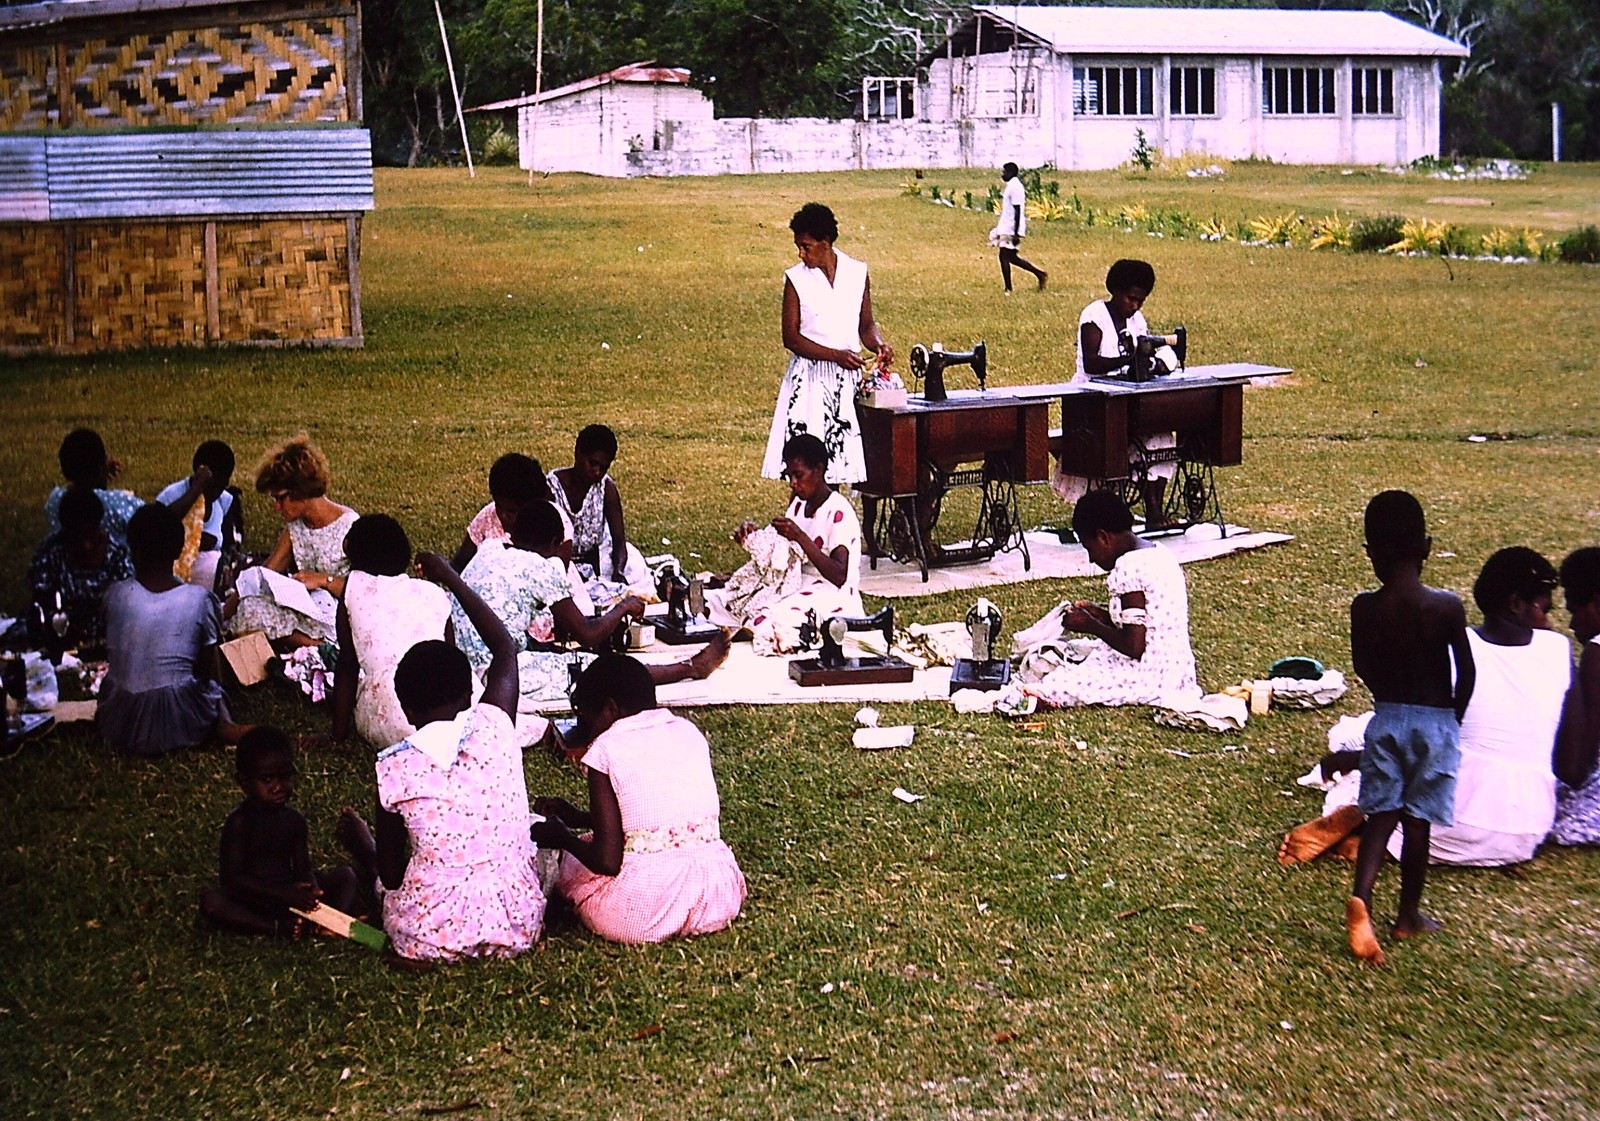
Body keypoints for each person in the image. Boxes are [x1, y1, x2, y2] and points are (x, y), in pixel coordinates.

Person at [1280, 548, 1569, 869]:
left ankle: (1361, 824)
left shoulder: (1457, 649)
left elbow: (1416, 739)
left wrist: (1355, 760)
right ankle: (1370, 837)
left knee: (1376, 752)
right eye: (1545, 609)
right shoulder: (1558, 648)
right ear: (1516, 604)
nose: (1550, 619)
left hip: (1450, 819)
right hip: (1526, 831)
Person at [338, 552, 545, 965]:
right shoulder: (496, 725)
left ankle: (361, 844)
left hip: (428, 937)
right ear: (470, 694)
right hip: (518, 923)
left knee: (386, 872)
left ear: (405, 709)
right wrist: (450, 577)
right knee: (535, 830)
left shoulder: (393, 768)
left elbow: (393, 875)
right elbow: (504, 647)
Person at [1344, 490, 1475, 966]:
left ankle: (1362, 896)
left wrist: (1387, 702)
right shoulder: (1446, 607)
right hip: (1436, 723)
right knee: (1417, 822)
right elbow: (1468, 674)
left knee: (1381, 814)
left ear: (1370, 554)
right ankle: (1408, 916)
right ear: (1427, 547)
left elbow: (1362, 665)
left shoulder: (1364, 607)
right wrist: (1452, 719)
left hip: (1387, 717)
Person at [452, 501, 727, 727]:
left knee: (564, 657)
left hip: (460, 662)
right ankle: (690, 668)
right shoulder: (541, 568)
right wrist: (624, 606)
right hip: (494, 674)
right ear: (553, 543)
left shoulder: (490, 549)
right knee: (598, 672)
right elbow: (587, 633)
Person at [533, 654, 746, 944]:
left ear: (610, 709)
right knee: (596, 839)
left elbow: (607, 862)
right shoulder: (688, 731)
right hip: (716, 893)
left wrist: (563, 837)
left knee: (572, 860)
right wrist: (580, 817)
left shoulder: (606, 748)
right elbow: (648, 814)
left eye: (585, 717)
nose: (584, 728)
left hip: (642, 912)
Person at [1014, 488, 1199, 707]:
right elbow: (1144, 624)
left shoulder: (1129, 568)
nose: (1091, 559)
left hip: (1152, 674)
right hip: (1177, 669)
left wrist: (1093, 626)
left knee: (1064, 682)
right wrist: (1100, 615)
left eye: (1089, 548)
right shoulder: (1158, 553)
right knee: (1074, 656)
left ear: (1103, 537)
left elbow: (1134, 646)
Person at [97, 503, 246, 756]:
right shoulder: (200, 599)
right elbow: (205, 669)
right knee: (214, 689)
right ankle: (225, 725)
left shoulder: (114, 594)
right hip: (178, 722)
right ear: (179, 549)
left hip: (118, 721)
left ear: (132, 549)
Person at [762, 202, 893, 486]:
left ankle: (832, 524)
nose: (801, 253)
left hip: (845, 381)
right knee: (808, 471)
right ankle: (805, 523)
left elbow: (866, 325)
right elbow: (791, 337)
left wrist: (879, 345)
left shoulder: (857, 273)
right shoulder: (796, 279)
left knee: (839, 463)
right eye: (798, 246)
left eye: (806, 246)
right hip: (809, 379)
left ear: (825, 243)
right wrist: (835, 355)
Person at [706, 433, 864, 656]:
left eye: (798, 475)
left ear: (818, 470)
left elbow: (839, 575)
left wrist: (800, 537)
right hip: (794, 582)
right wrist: (755, 537)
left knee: (767, 617)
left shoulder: (838, 512)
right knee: (727, 600)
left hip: (832, 593)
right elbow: (784, 550)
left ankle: (751, 632)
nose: (793, 483)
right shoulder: (799, 504)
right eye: (790, 476)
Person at [199, 727, 358, 938]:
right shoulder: (239, 823)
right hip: (256, 898)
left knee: (346, 875)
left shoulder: (294, 821)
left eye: (284, 777)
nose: (278, 787)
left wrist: (311, 891)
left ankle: (325, 923)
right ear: (244, 782)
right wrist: (283, 894)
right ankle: (275, 928)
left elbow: (303, 868)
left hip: (291, 892)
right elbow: (232, 880)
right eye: (267, 780)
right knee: (212, 901)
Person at [1057, 259, 1178, 528]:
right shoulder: (1094, 316)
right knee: (1115, 443)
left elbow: (1144, 353)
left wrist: (1156, 363)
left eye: (1140, 301)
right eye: (1130, 299)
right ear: (1116, 291)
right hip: (1091, 399)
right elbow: (1092, 363)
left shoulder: (1137, 320)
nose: (1134, 306)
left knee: (1160, 437)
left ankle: (1154, 513)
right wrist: (1129, 360)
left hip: (1124, 395)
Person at [332, 515, 454, 749]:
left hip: (392, 709)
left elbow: (348, 664)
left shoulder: (353, 589)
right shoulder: (434, 593)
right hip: (448, 703)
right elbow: (450, 658)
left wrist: (336, 735)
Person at [227, 435, 358, 647]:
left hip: (342, 617)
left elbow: (368, 590)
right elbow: (266, 574)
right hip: (309, 610)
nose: (277, 507)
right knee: (249, 608)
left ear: (301, 491)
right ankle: (311, 646)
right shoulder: (297, 526)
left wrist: (324, 580)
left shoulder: (349, 527)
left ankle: (322, 648)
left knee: (250, 617)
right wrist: (225, 610)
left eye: (281, 498)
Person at [27, 488, 133, 651]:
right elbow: (40, 603)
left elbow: (130, 601)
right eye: (77, 537)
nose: (86, 546)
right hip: (61, 643)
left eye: (91, 536)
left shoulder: (116, 554)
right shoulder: (50, 553)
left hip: (111, 641)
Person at [549, 424, 652, 592]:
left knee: (637, 576)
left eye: (603, 468)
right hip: (561, 566)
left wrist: (618, 573)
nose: (597, 472)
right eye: (593, 463)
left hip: (597, 561)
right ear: (578, 452)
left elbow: (619, 540)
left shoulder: (606, 488)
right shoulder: (551, 489)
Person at [450, 452, 569, 573]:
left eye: (512, 511)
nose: (503, 515)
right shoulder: (488, 517)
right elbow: (459, 564)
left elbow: (560, 570)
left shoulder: (553, 519)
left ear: (534, 506)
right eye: (499, 506)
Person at [1553, 547, 1600, 845]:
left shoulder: (1597, 652)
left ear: (1596, 603)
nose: (1571, 625)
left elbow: (1577, 765)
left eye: (1573, 611)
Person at [156, 440, 239, 591]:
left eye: (220, 487)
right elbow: (160, 528)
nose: (214, 492)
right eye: (210, 485)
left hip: (209, 581)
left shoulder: (223, 501)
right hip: (175, 576)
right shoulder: (172, 495)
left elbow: (229, 545)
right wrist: (196, 490)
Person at [44, 428, 144, 549]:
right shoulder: (118, 504)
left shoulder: (54, 501)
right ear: (100, 467)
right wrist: (125, 497)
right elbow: (150, 521)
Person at [991, 162, 1047, 293]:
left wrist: (1015, 233)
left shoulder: (1015, 187)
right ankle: (1039, 274)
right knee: (1012, 258)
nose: (1002, 174)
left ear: (1011, 172)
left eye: (1004, 172)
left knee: (1004, 257)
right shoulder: (1012, 186)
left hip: (1011, 228)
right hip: (1008, 226)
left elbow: (1017, 210)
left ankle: (1008, 289)